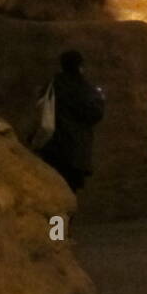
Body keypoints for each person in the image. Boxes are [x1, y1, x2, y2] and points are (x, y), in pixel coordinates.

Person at [36, 49, 105, 193]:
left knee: (54, 191)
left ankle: (56, 216)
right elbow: (95, 114)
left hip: (53, 145)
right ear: (80, 66)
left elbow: (40, 106)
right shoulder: (86, 88)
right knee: (70, 191)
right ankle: (63, 216)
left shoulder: (52, 84)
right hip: (76, 150)